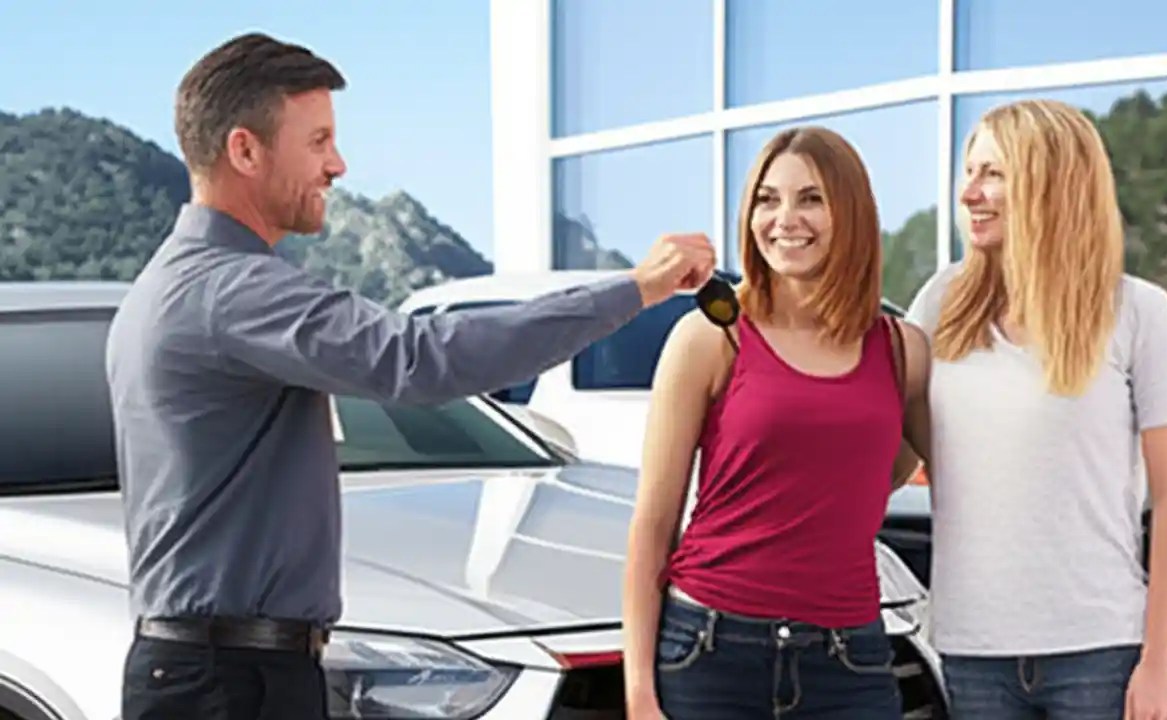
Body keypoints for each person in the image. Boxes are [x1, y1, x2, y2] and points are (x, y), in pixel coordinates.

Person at [105, 32, 716, 720]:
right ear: (244, 149)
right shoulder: (231, 292)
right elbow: (422, 357)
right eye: (318, 141)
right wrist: (634, 289)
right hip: (233, 684)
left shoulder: (173, 288)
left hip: (218, 672)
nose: (337, 164)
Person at [622, 125, 932, 719]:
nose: (785, 218)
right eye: (768, 199)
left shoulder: (901, 351)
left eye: (811, 198)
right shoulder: (711, 336)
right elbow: (653, 525)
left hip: (850, 661)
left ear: (853, 213)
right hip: (710, 652)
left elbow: (897, 471)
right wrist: (639, 694)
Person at [905, 99, 1167, 720]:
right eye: (968, 172)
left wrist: (1160, 662)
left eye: (994, 174)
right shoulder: (938, 305)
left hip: (1099, 651)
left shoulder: (1138, 313)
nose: (970, 193)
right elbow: (887, 453)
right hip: (970, 651)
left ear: (1052, 183)